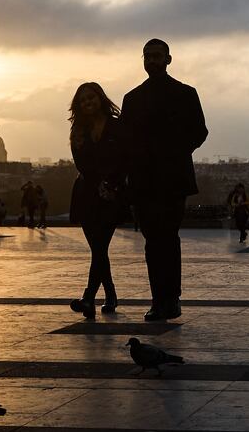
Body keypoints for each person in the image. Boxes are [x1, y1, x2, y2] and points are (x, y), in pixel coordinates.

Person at [122, 39, 207, 322]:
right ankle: (164, 298)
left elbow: (199, 131)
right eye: (148, 56)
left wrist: (170, 153)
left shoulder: (183, 94)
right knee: (155, 240)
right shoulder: (133, 99)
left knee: (164, 239)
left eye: (156, 56)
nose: (152, 61)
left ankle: (167, 299)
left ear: (168, 59)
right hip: (152, 180)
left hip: (167, 179)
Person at [68, 81, 127, 320]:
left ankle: (89, 298)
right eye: (83, 100)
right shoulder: (78, 131)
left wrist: (110, 182)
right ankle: (109, 295)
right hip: (88, 194)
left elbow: (124, 158)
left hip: (110, 192)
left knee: (100, 248)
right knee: (99, 249)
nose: (87, 103)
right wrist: (101, 181)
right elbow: (81, 163)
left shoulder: (117, 126)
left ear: (100, 98)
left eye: (90, 97)